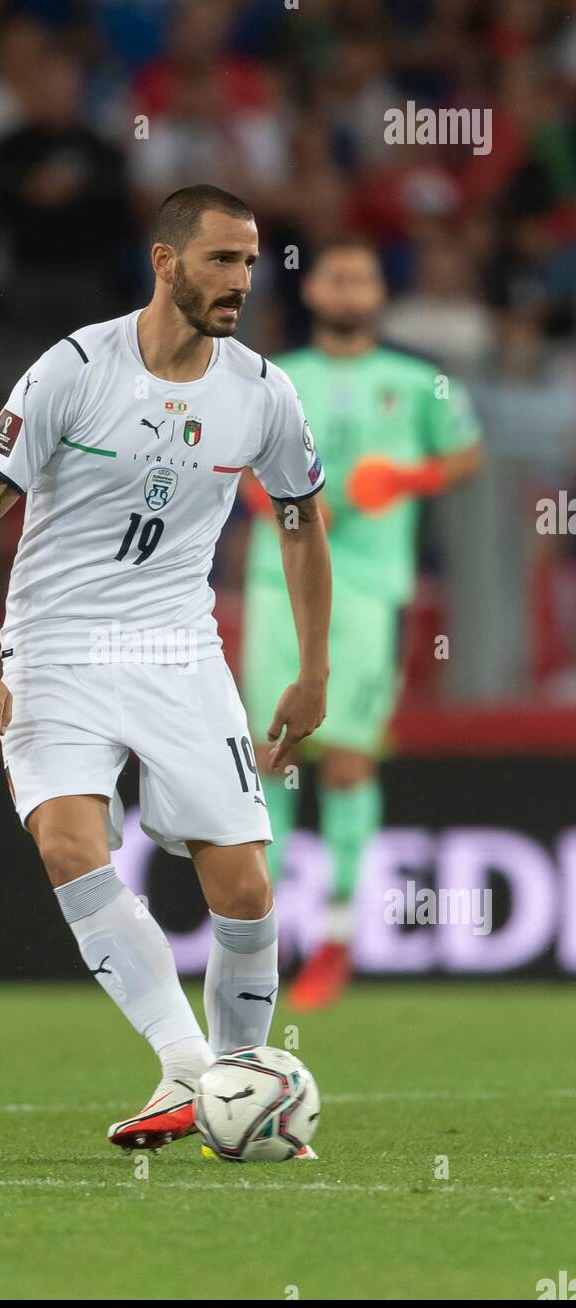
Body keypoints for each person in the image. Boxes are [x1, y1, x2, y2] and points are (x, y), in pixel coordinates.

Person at [0, 184, 331, 1151]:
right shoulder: (75, 367)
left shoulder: (262, 393)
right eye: (221, 261)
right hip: (59, 646)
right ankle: (197, 1074)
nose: (241, 281)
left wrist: (314, 668)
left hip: (178, 650)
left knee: (241, 888)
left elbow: (300, 518)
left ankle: (229, 1088)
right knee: (71, 846)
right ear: (166, 263)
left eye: (249, 262)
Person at [242, 240, 484, 1010]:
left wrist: (404, 478)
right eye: (337, 275)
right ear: (312, 289)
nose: (349, 288)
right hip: (276, 586)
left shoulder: (417, 381)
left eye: (364, 275)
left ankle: (338, 940)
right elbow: (236, 469)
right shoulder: (272, 379)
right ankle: (264, 942)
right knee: (267, 754)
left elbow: (467, 454)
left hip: (371, 589)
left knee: (348, 758)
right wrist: (292, 509)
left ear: (380, 290)